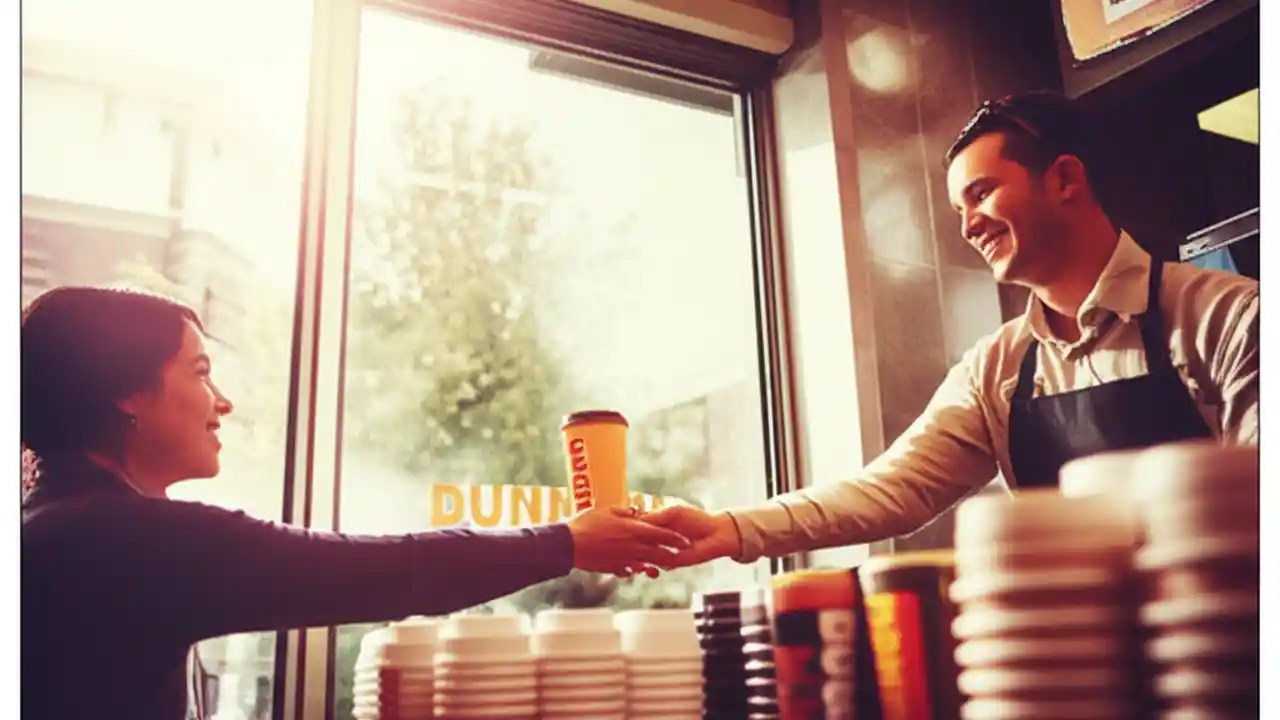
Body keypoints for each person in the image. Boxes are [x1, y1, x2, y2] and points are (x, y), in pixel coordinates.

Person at [644, 90, 1259, 568]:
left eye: (982, 193)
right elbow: (894, 489)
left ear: (1065, 179)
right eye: (959, 210)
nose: (968, 226)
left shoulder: (1228, 316)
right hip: (1075, 670)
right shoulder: (996, 368)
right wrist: (729, 529)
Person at [20, 286, 689, 719]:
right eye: (199, 372)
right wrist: (567, 542)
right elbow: (382, 570)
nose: (221, 401)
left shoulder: (56, 531)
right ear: (126, 393)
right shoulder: (116, 542)